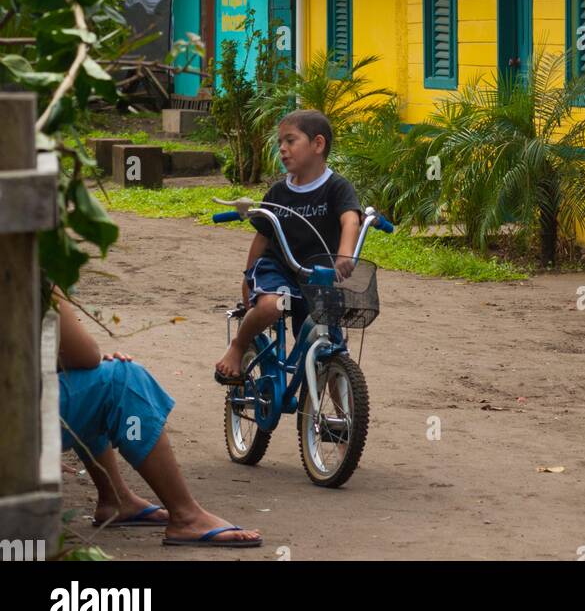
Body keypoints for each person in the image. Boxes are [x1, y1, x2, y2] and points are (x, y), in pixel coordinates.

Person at [53, 286, 262, 548]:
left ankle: (116, 498)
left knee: (94, 384)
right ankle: (187, 517)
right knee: (122, 380)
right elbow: (84, 355)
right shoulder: (21, 263)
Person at [215, 110, 362, 385]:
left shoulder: (336, 187)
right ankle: (238, 345)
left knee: (329, 341)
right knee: (271, 305)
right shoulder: (278, 193)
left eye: (290, 141)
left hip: (317, 275)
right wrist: (248, 276)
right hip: (278, 269)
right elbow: (262, 237)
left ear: (318, 145)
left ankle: (344, 416)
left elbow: (350, 219)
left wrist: (345, 253)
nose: (282, 148)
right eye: (280, 142)